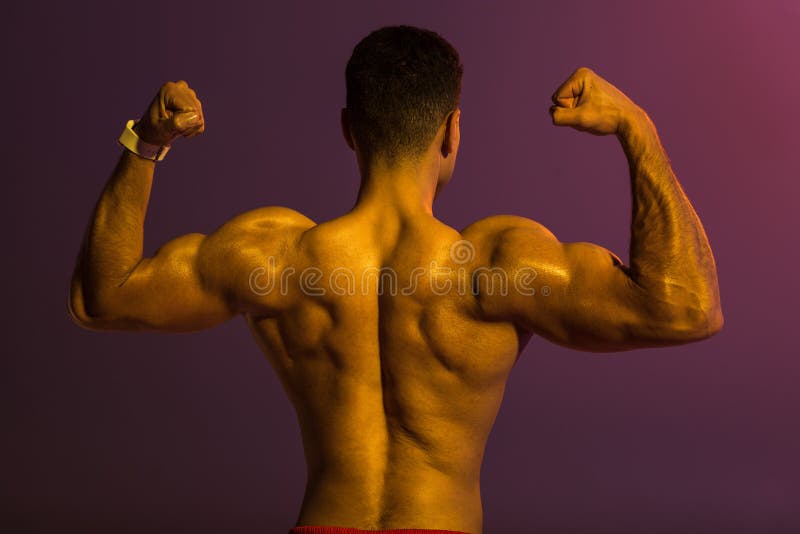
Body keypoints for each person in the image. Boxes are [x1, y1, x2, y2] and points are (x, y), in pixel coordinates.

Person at [68, 25, 723, 534]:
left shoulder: (277, 257)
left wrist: (146, 142)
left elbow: (102, 298)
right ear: (451, 133)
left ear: (350, 131)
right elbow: (686, 309)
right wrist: (639, 128)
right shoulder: (497, 268)